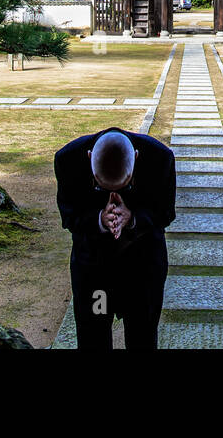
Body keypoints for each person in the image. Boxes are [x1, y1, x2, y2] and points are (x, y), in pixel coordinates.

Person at [53, 126, 176, 349]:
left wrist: (133, 218)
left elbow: (165, 212)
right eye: (102, 188)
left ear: (136, 158)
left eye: (124, 186)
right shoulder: (68, 160)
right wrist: (99, 218)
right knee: (93, 337)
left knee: (143, 338)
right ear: (89, 158)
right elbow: (69, 215)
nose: (113, 196)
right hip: (95, 274)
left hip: (143, 270)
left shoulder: (160, 159)